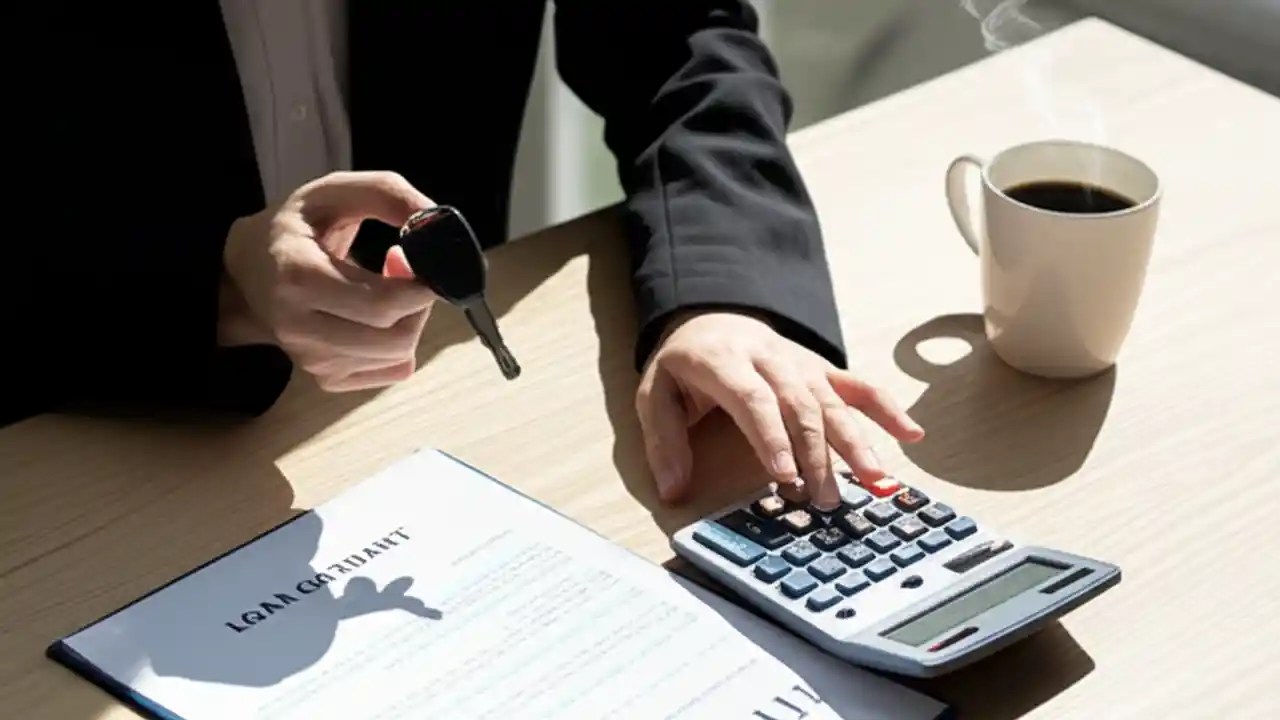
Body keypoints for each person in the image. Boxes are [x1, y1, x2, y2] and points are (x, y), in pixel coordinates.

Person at [4, 2, 922, 509]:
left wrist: (724, 293)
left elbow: (675, 35)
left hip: (449, 423)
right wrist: (206, 285)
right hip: (69, 459)